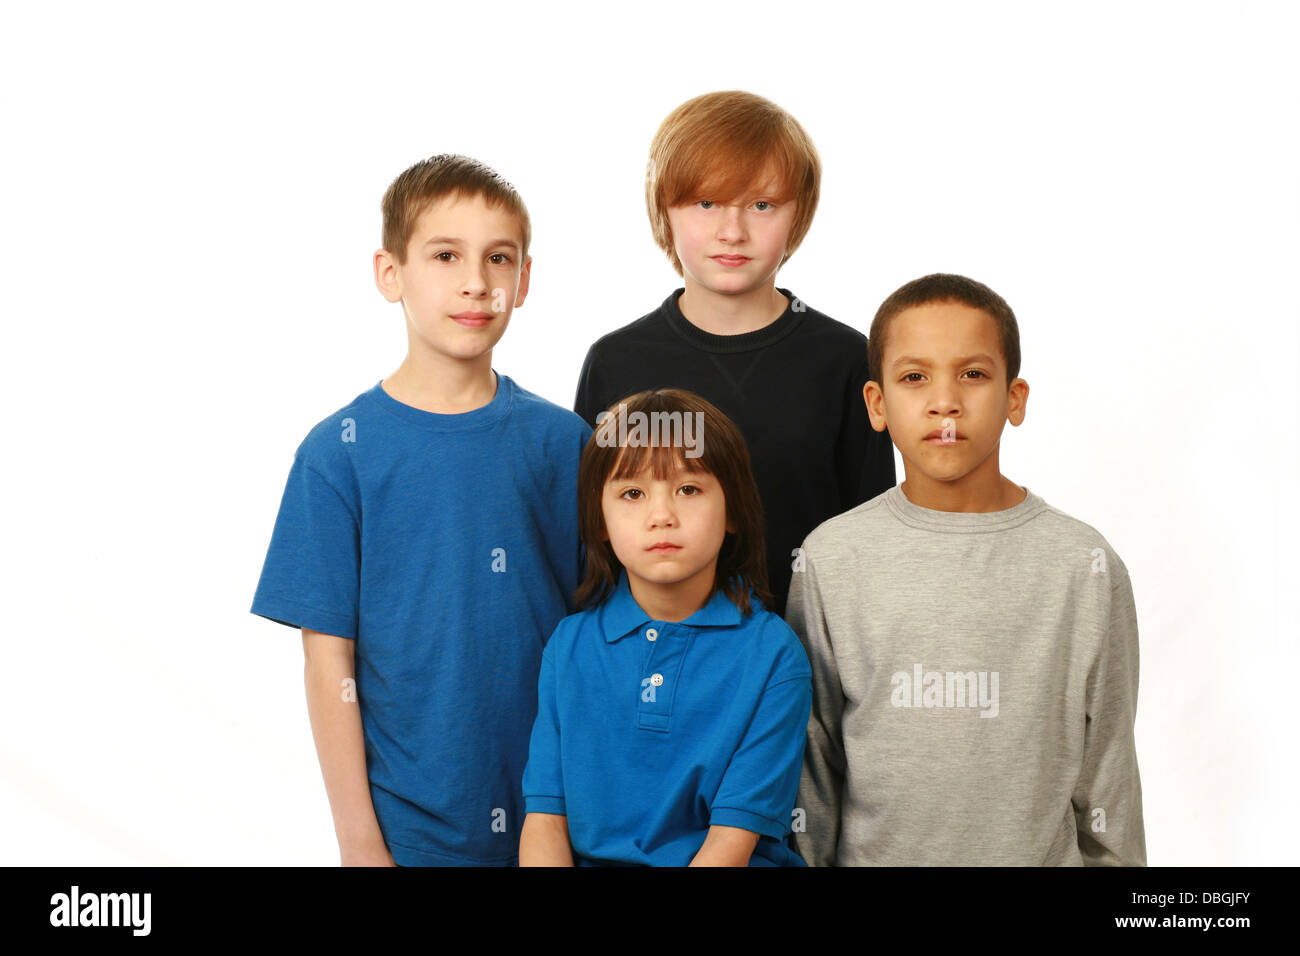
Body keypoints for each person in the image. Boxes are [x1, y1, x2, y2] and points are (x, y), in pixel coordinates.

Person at [250, 154, 590, 866]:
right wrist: (358, 841)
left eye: (499, 258)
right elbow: (327, 661)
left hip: (563, 824)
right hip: (411, 833)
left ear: (524, 280)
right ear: (390, 273)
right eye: (445, 255)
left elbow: (604, 630)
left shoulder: (566, 444)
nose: (476, 282)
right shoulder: (337, 452)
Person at [786, 273, 1146, 866]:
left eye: (973, 375)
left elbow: (1108, 770)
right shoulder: (830, 558)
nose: (944, 400)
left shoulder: (1084, 567)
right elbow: (812, 766)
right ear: (877, 404)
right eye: (914, 377)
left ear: (1015, 398)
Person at [573, 90, 896, 617]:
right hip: (655, 667)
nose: (733, 232)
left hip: (810, 656)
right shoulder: (617, 361)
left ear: (799, 215)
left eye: (762, 205)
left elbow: (873, 533)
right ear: (665, 210)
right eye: (706, 203)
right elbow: (594, 537)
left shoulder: (843, 359)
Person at [518, 389, 811, 866]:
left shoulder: (774, 656)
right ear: (601, 522)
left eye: (689, 489)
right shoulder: (567, 649)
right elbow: (546, 820)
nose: (661, 517)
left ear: (733, 509)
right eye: (632, 494)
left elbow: (729, 845)